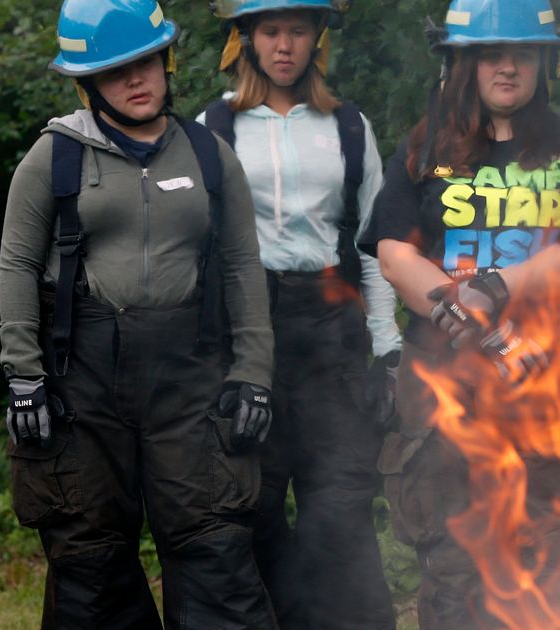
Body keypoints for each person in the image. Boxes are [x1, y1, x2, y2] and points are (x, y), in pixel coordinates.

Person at [0, 0, 277, 627]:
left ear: (167, 59)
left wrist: (254, 372)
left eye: (146, 61)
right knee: (90, 557)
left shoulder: (207, 155)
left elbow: (241, 264)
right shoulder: (55, 157)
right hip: (83, 378)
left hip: (191, 375)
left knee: (215, 545)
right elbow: (15, 265)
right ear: (87, 81)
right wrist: (23, 375)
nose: (135, 79)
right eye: (114, 70)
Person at [358, 0, 560, 626]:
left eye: (522, 54)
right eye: (491, 54)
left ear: (545, 60)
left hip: (553, 385)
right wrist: (474, 323)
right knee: (453, 570)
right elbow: (396, 255)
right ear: (464, 63)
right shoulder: (425, 147)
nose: (507, 67)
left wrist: (502, 285)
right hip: (447, 390)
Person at [199, 1, 403, 628]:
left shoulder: (346, 126)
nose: (284, 45)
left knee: (338, 503)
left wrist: (387, 345)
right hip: (246, 328)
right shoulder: (215, 126)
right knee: (252, 506)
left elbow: (376, 245)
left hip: (331, 326)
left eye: (296, 30)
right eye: (270, 31)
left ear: (317, 38)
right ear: (248, 40)